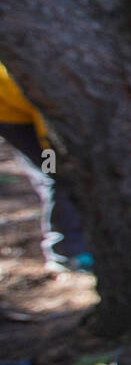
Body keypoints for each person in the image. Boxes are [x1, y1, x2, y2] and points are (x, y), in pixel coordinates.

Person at [0, 61, 90, 272]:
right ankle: (68, 253)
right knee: (57, 176)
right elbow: (48, 135)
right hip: (11, 115)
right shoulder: (53, 85)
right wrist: (58, 161)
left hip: (20, 103)